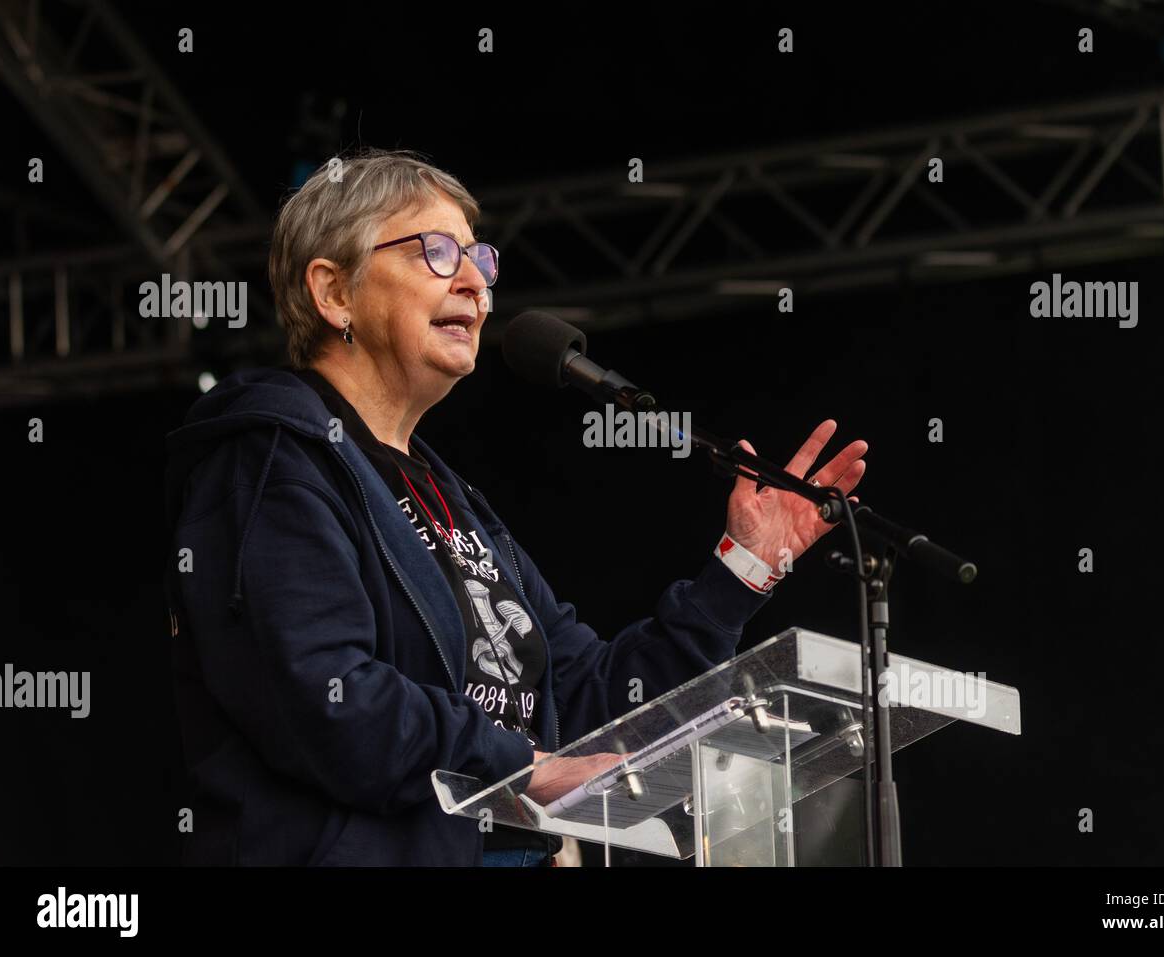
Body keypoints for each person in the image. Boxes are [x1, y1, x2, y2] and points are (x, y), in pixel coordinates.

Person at [163, 149, 868, 866]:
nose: (475, 284)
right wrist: (522, 765)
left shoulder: (453, 501)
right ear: (334, 291)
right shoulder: (272, 462)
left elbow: (596, 705)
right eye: (436, 253)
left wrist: (740, 571)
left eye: (480, 260)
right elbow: (327, 699)